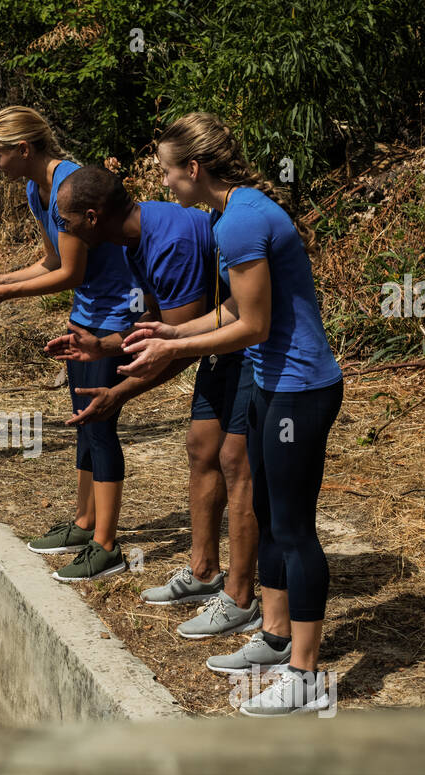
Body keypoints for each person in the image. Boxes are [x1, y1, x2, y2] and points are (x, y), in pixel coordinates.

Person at [117, 113, 344, 716]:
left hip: (300, 388)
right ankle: (273, 636)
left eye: (167, 170)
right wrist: (173, 327)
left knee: (294, 527)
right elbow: (232, 313)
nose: (163, 182)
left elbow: (254, 326)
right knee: (268, 511)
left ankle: (308, 676)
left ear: (194, 169)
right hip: (273, 383)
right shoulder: (233, 213)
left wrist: (173, 347)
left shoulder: (239, 223)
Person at [46, 165, 261, 639]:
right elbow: (158, 324)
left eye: (65, 221)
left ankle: (244, 599)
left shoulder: (170, 243)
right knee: (201, 448)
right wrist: (104, 347)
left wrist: (119, 393)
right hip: (218, 345)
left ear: (92, 216)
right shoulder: (133, 240)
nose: (60, 230)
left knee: (234, 462)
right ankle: (204, 571)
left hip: (249, 348)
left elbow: (181, 346)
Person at [0, 107, 136, 582]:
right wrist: (1, 277)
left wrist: (3, 295)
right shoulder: (39, 190)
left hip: (113, 316)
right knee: (82, 425)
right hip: (86, 311)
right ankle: (83, 523)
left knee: (100, 424)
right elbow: (52, 260)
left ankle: (107, 544)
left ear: (24, 149)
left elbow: (70, 274)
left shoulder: (68, 187)